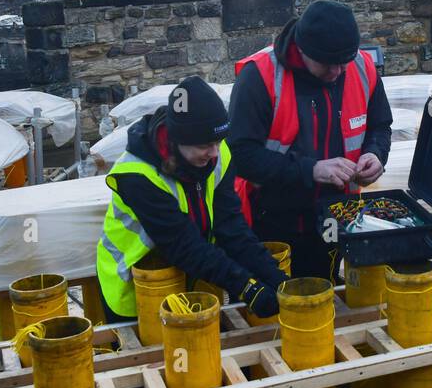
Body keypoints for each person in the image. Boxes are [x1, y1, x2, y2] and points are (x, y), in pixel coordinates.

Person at [96, 76, 288, 324]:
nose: (214, 153)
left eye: (218, 142)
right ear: (176, 141)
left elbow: (231, 226)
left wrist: (275, 278)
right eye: (205, 145)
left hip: (193, 278)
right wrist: (246, 287)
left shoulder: (219, 155)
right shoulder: (137, 175)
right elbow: (182, 244)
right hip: (138, 287)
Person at [228, 0, 393, 282]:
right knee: (279, 309)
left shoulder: (361, 67)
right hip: (273, 225)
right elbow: (240, 155)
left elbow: (381, 125)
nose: (338, 72)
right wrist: (311, 169)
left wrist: (376, 154)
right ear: (302, 50)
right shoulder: (259, 77)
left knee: (325, 299)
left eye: (344, 63)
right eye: (328, 65)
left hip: (336, 218)